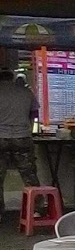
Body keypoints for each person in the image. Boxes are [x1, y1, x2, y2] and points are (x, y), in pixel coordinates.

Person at [0, 60, 40, 217]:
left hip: (0, 137)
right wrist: (29, 128)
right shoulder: (25, 92)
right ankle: (36, 210)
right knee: (29, 175)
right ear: (12, 77)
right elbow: (34, 114)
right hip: (22, 137)